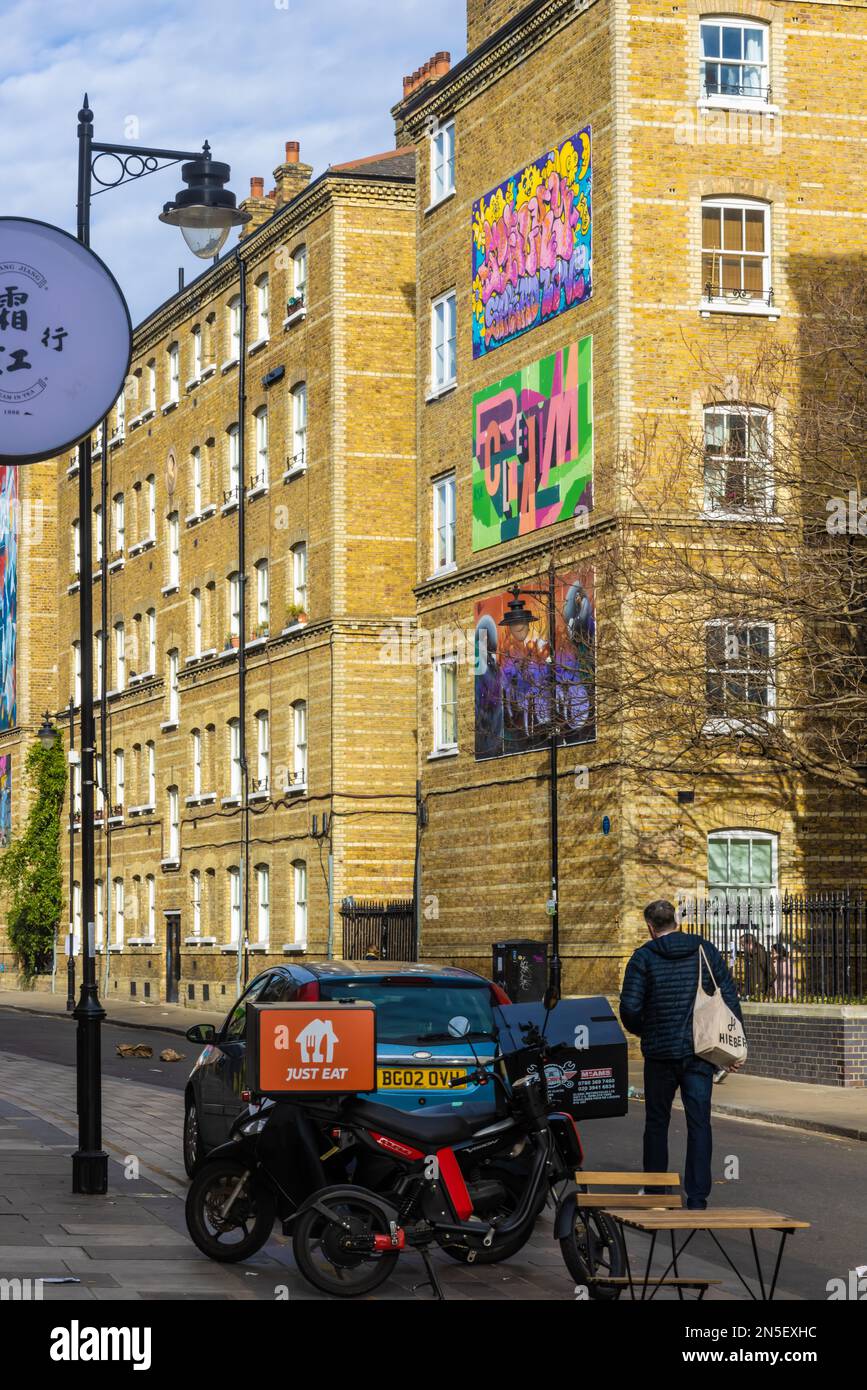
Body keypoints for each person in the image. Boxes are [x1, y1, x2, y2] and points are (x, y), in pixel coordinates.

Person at [619, 899, 745, 1210]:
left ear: (650, 926)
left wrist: (646, 1031)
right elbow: (728, 997)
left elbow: (630, 1009)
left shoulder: (643, 958)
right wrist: (734, 1048)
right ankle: (698, 1197)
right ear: (676, 921)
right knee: (699, 1123)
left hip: (660, 1054)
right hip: (700, 1052)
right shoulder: (705, 950)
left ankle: (656, 1193)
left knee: (657, 1122)